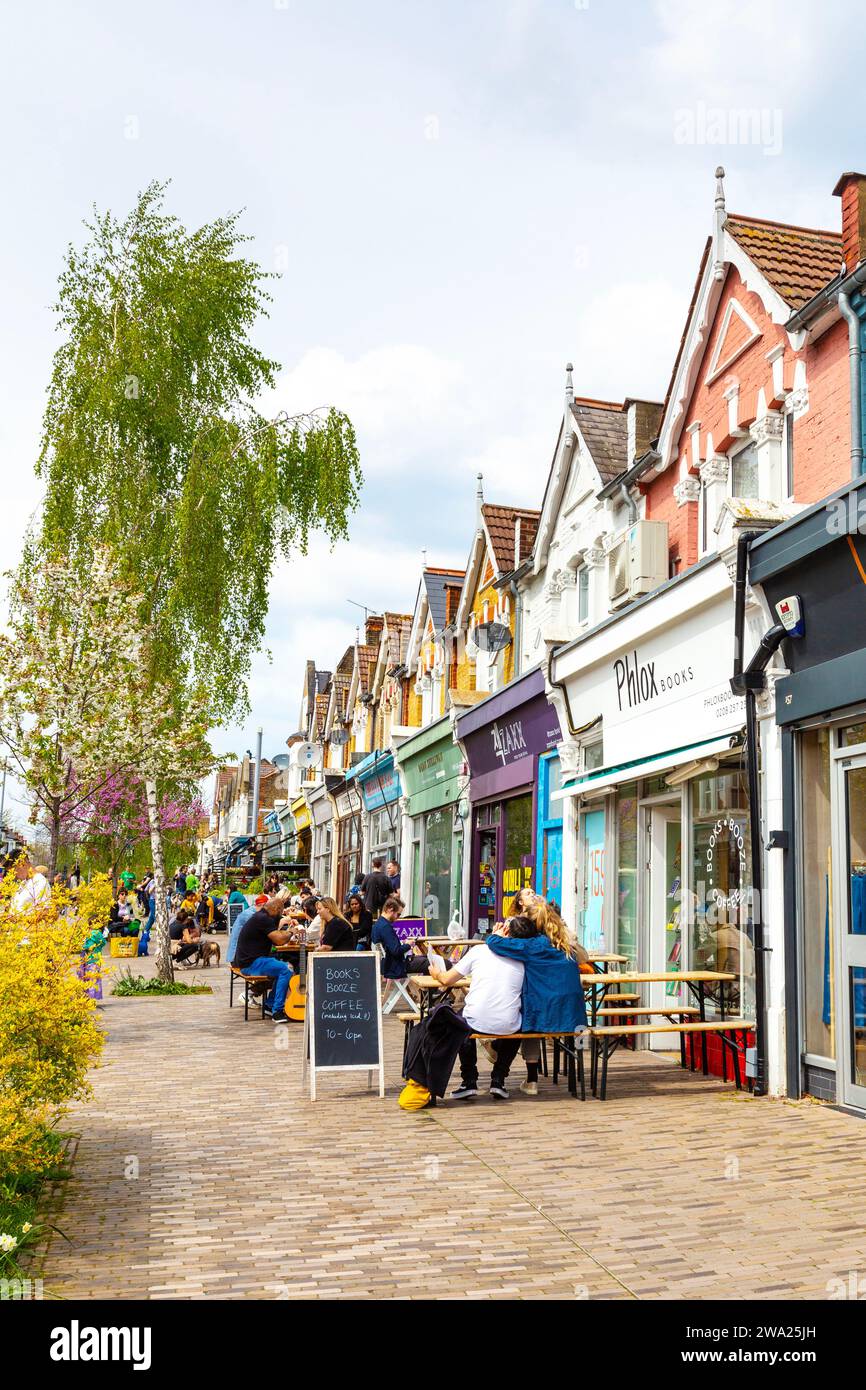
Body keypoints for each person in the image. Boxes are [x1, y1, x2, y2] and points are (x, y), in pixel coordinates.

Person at [487, 901, 588, 1095]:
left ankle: (518, 1070)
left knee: (524, 1018)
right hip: (574, 1015)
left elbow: (494, 943)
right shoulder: (564, 941)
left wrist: (497, 932)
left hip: (543, 1015)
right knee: (529, 1012)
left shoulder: (532, 945)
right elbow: (585, 958)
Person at [429, 918, 532, 1100]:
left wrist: (435, 972)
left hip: (476, 1018)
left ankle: (469, 1080)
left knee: (459, 1023)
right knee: (518, 1022)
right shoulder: (525, 957)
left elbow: (446, 980)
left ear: (505, 930)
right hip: (508, 1023)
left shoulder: (479, 950)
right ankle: (499, 1078)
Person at [232, 896, 298, 1024]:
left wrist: (288, 921)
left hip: (249, 960)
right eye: (281, 910)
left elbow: (277, 929)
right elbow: (279, 940)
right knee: (287, 969)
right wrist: (291, 932)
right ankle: (277, 1011)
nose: (281, 913)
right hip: (251, 963)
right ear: (276, 908)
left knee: (285, 966)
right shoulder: (263, 919)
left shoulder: (263, 915)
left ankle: (269, 1004)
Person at [371, 893, 409, 984]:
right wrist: (409, 945)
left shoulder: (378, 924)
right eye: (398, 914)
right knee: (430, 963)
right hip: (394, 967)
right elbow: (396, 951)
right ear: (390, 910)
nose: (398, 918)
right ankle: (431, 995)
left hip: (387, 965)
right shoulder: (385, 927)